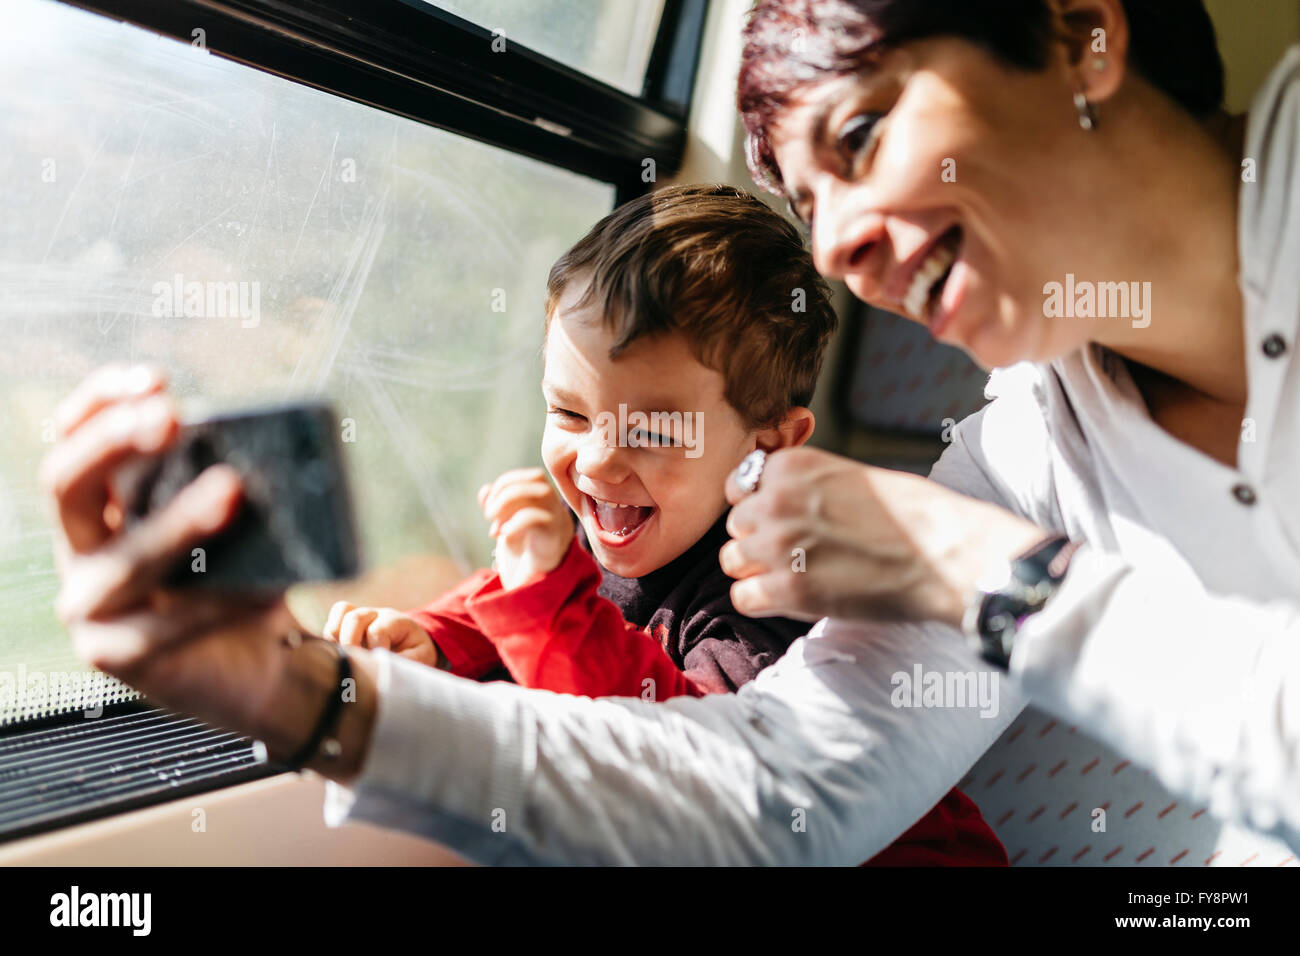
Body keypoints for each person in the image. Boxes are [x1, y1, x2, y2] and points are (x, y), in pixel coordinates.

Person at [40, 0, 1300, 864]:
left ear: (1079, 32)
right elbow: (776, 798)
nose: (849, 250)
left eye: (860, 138)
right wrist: (296, 692)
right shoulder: (1027, 454)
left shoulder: (959, 523)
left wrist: (972, 567)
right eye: (813, 209)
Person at [318, 184, 1006, 865]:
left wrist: (543, 605)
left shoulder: (773, 595)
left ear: (764, 447)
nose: (596, 462)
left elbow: (685, 769)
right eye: (570, 415)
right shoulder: (608, 518)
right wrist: (435, 644)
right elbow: (499, 597)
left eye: (650, 431)